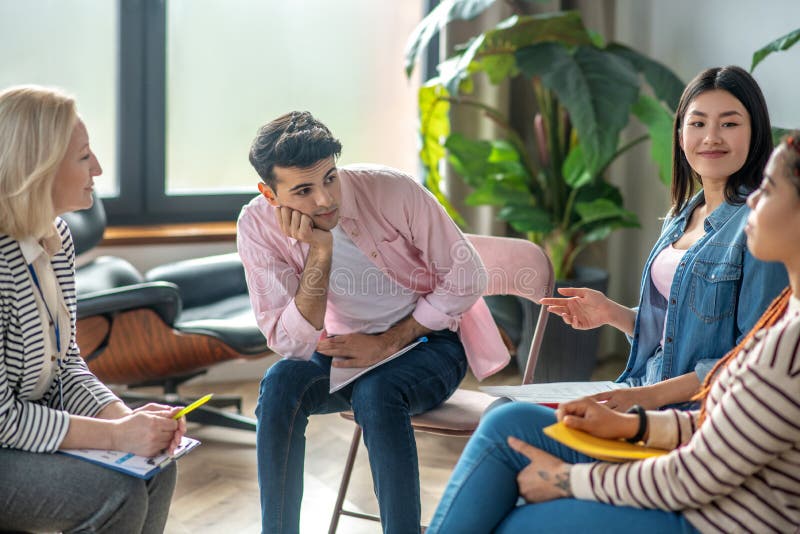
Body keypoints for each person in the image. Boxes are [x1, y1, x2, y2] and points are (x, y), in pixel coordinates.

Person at [426, 132, 800, 533]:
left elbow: (694, 472)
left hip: (713, 515)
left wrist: (566, 478)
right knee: (507, 419)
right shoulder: (690, 227)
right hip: (679, 444)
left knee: (517, 519)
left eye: (769, 188)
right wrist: (631, 420)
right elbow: (725, 422)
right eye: (697, 122)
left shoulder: (787, 343)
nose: (755, 201)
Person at [237, 111, 509, 533]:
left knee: (376, 392)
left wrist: (390, 342)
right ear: (270, 194)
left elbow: (468, 274)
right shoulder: (256, 226)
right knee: (279, 384)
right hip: (346, 350)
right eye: (303, 190)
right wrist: (319, 253)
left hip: (431, 344)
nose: (325, 200)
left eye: (330, 178)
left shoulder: (392, 189)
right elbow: (290, 343)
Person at [540, 65, 787, 410]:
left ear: (755, 132)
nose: (711, 137)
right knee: (508, 411)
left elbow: (750, 357)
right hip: (643, 387)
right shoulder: (679, 216)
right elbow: (677, 324)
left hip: (695, 411)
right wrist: (612, 313)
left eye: (729, 124)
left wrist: (641, 399)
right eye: (697, 123)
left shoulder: (761, 226)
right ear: (681, 134)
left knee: (515, 427)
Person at [0, 85, 186, 533]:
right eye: (84, 157)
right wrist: (115, 437)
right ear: (39, 168)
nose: (98, 168)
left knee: (157, 465)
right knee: (114, 495)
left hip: (19, 433)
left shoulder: (55, 237)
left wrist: (126, 419)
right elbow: (2, 417)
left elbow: (65, 366)